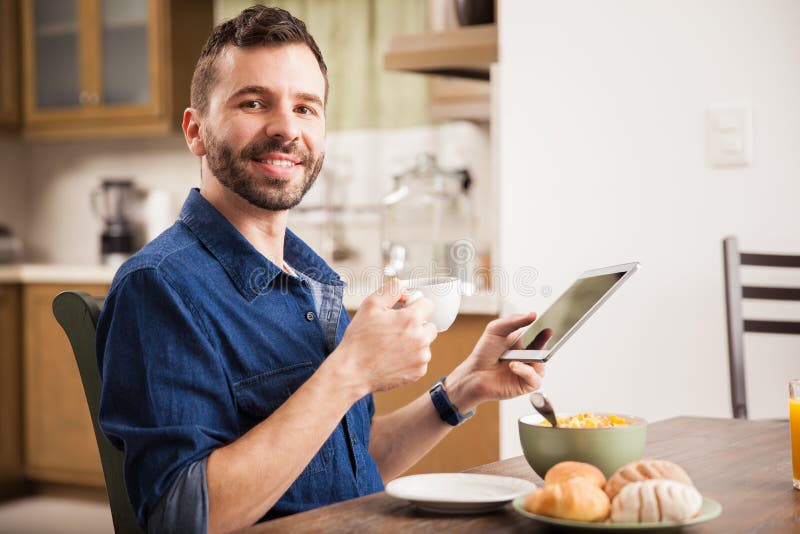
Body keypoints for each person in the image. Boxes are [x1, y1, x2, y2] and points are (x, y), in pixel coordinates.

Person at [96, 6, 546, 533]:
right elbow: (183, 517)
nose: (287, 128)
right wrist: (349, 371)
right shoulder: (161, 287)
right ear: (196, 131)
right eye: (254, 102)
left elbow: (340, 471)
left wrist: (463, 389)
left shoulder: (313, 279)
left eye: (306, 108)